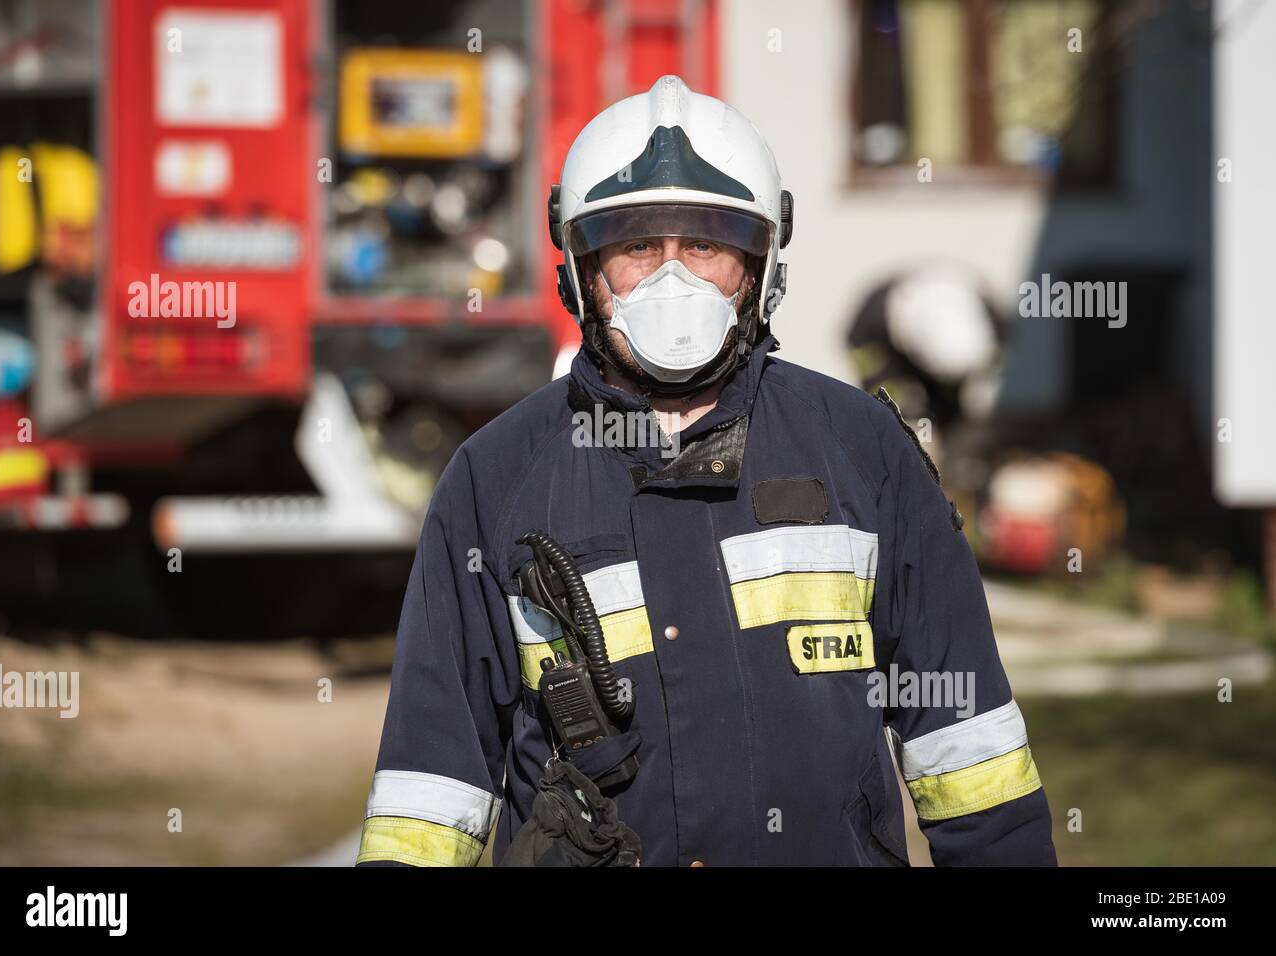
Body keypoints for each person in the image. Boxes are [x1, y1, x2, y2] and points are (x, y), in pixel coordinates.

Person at [356, 75, 1057, 867]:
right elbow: (430, 789)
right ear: (580, 272)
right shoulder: (496, 479)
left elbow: (971, 756)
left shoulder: (862, 452)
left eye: (706, 246)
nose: (673, 280)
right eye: (636, 248)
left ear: (758, 268)